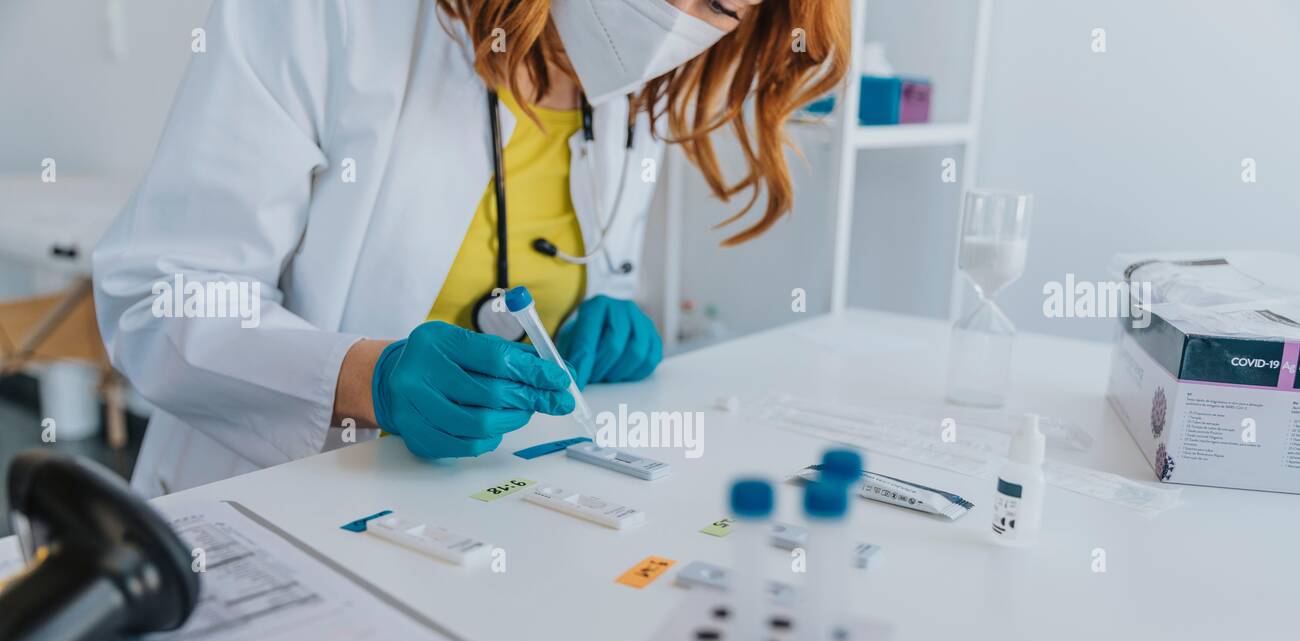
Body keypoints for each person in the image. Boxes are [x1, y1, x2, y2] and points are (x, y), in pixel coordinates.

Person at [93, 0, 848, 495]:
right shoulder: (334, 17)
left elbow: (569, 260)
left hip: (492, 515)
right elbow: (158, 295)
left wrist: (611, 306)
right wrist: (370, 381)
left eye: (716, 6)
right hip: (269, 501)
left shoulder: (634, 95)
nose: (671, 15)